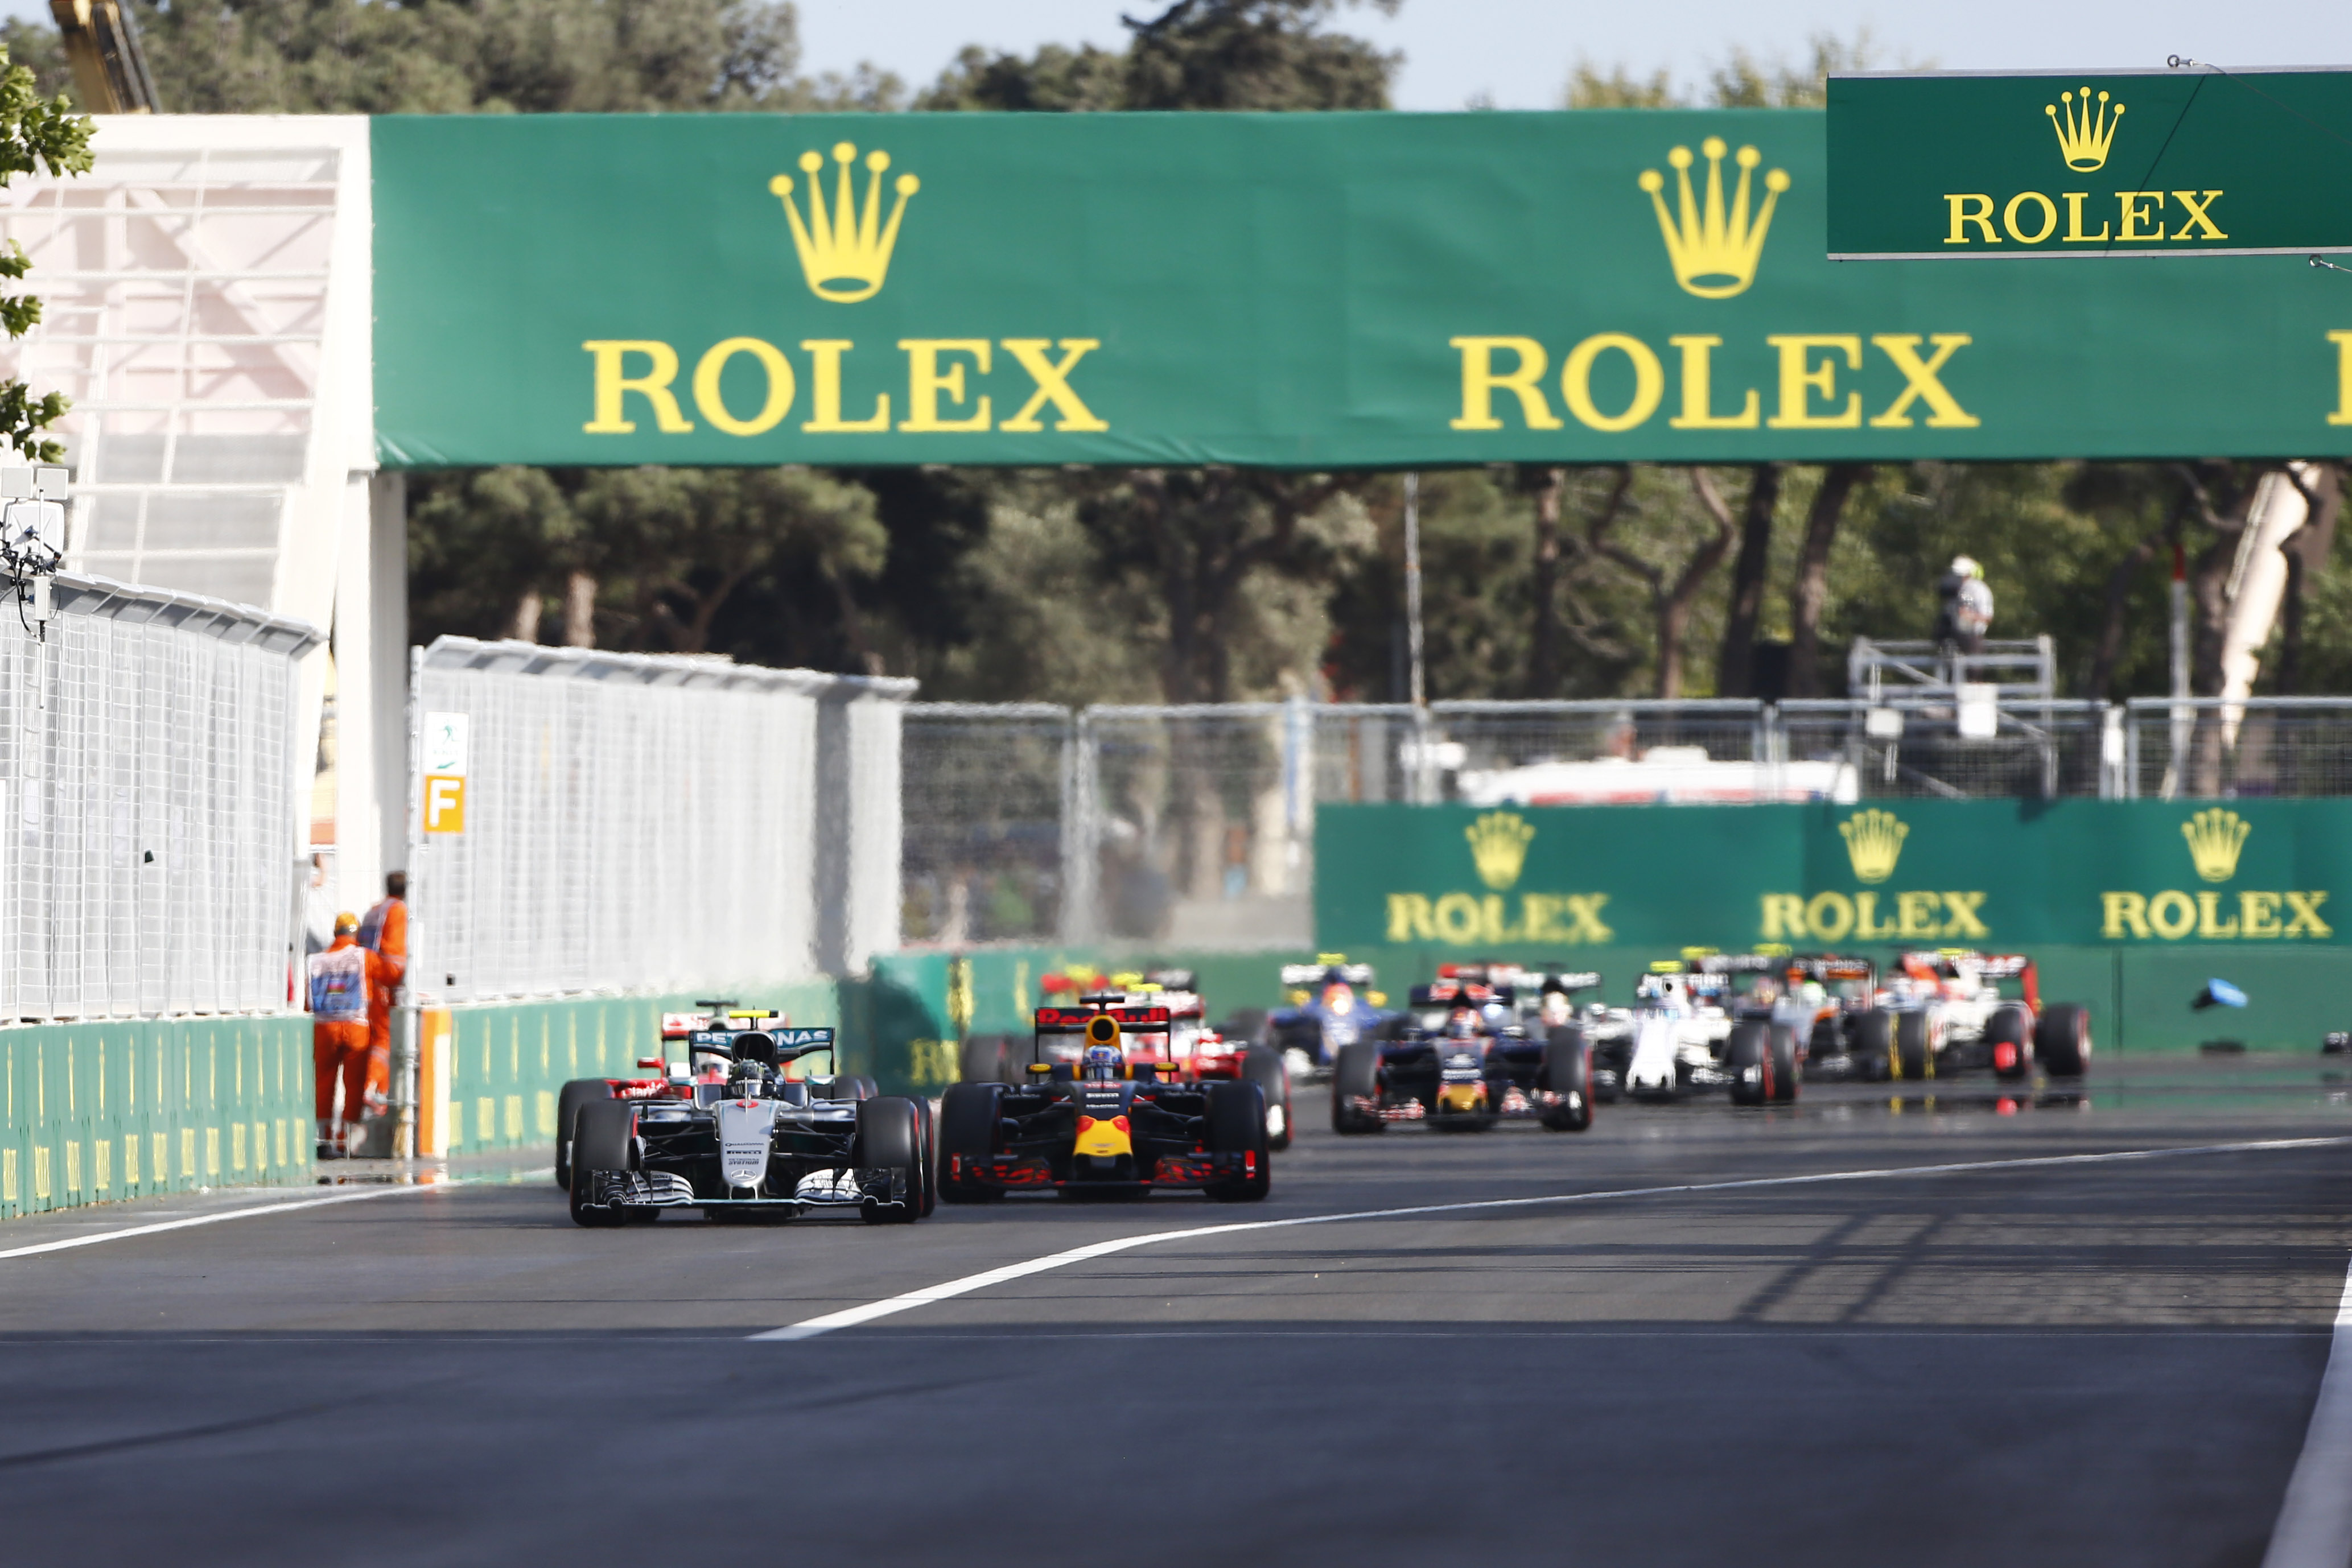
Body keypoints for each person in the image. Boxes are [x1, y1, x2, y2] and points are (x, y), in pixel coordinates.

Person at [310, 911, 392, 1158]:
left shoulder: (315, 960)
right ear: (355, 934)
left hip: (324, 1029)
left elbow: (308, 1002)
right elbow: (390, 974)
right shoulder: (363, 956)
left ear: (336, 933)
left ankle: (323, 1139)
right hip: (357, 1028)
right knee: (353, 1085)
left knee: (324, 1083)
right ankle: (345, 1141)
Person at [359, 871, 407, 1113]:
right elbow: (396, 959)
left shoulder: (374, 911)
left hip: (368, 982)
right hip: (382, 984)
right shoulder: (398, 911)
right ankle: (370, 1089)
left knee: (376, 1039)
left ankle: (378, 1092)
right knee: (384, 1040)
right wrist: (403, 982)